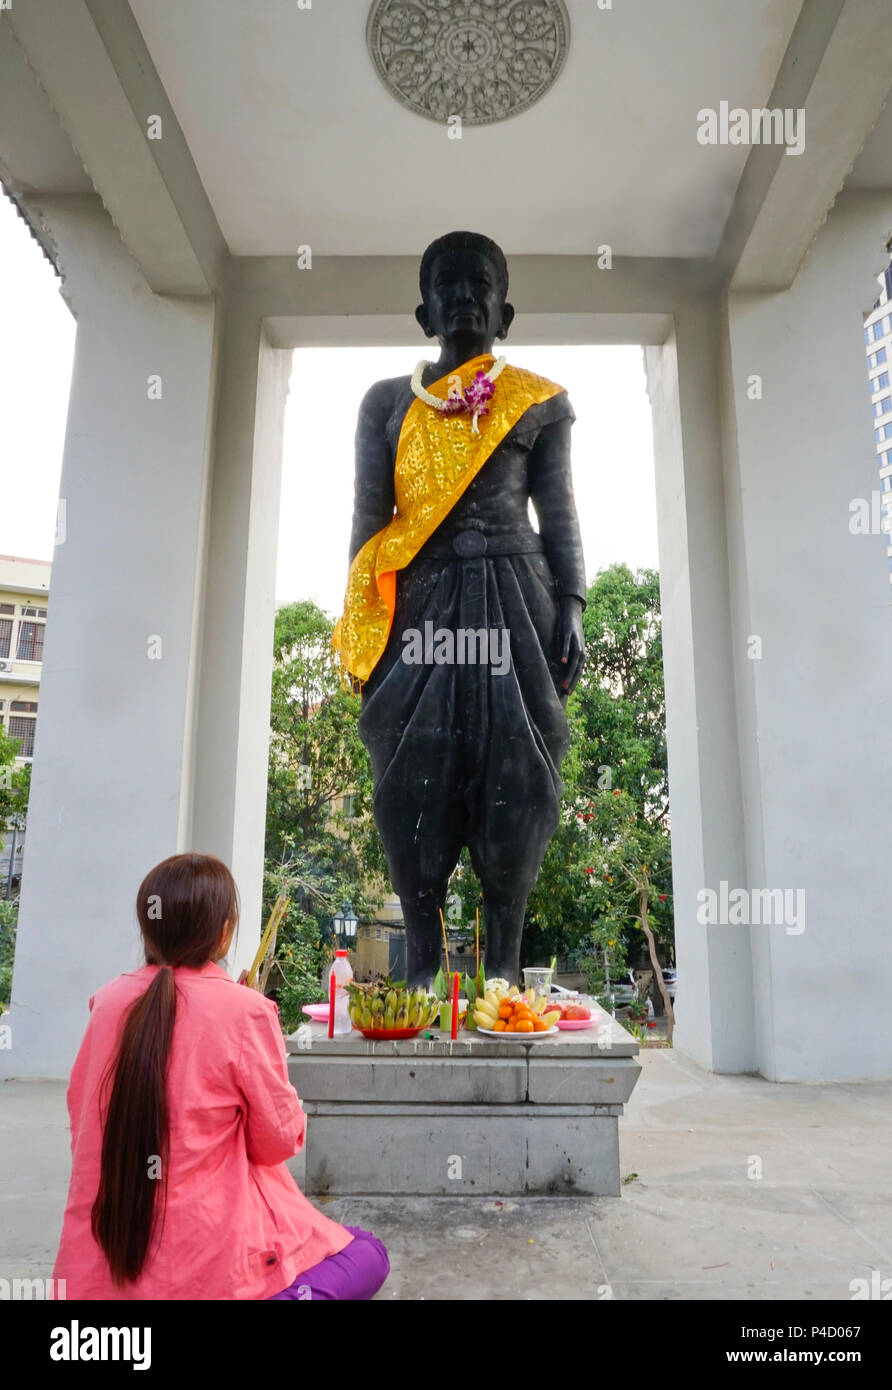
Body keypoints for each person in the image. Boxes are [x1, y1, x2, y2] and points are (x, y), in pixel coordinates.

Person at [332, 230, 586, 986]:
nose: (464, 294)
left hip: (518, 598)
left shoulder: (537, 402)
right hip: (421, 604)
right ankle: (422, 969)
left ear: (503, 313)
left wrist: (570, 605)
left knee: (519, 763)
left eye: (481, 283)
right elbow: (367, 523)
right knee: (414, 765)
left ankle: (502, 970)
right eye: (448, 283)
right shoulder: (385, 403)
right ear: (423, 312)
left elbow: (559, 512)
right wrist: (361, 628)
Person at [52, 852, 390, 1300]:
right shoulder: (244, 1011)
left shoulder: (107, 1003)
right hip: (208, 1273)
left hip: (90, 1279)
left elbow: (84, 1126)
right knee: (367, 1251)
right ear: (225, 934)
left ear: (147, 927)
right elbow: (276, 1142)